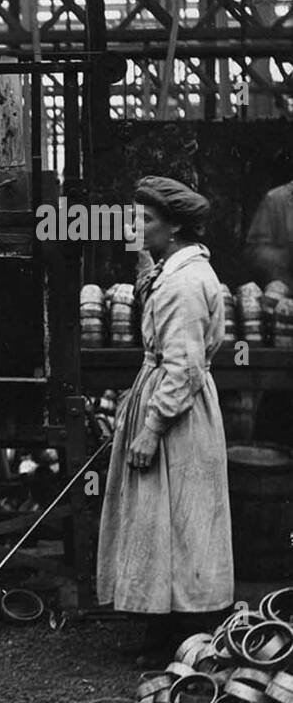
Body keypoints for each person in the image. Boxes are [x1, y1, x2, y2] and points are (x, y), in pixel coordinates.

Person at [97, 177, 234, 666]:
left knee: (179, 522)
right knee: (160, 521)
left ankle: (180, 637)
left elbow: (185, 366)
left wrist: (152, 428)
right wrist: (144, 263)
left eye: (146, 220)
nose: (135, 226)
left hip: (179, 412)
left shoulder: (184, 282)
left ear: (174, 226)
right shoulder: (175, 271)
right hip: (167, 396)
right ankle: (162, 629)